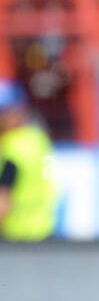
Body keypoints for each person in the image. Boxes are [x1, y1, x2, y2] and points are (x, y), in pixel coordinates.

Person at [0, 81, 59, 242]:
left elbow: (3, 201)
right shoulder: (38, 139)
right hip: (44, 229)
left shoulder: (12, 147)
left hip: (16, 236)